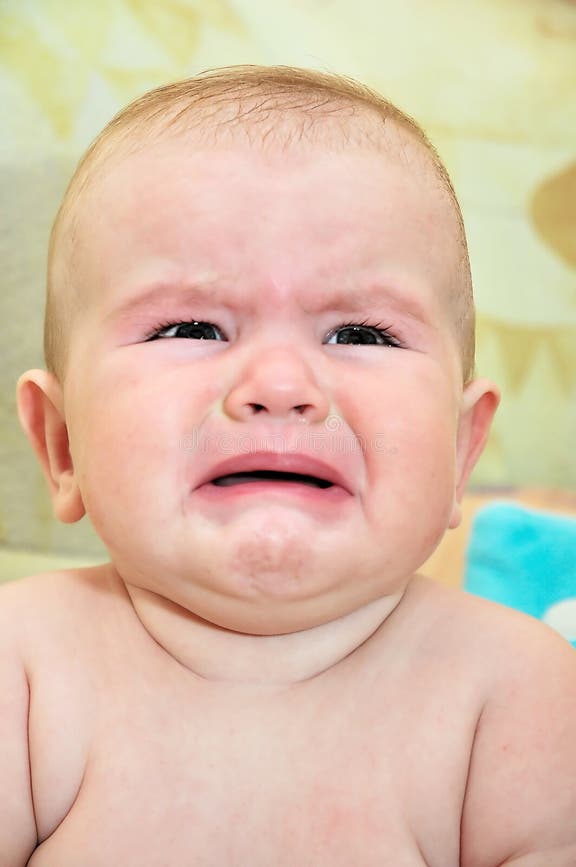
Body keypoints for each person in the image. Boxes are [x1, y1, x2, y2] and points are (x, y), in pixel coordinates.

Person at [3, 65, 575, 866]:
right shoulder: (23, 668)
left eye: (361, 334)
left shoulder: (513, 690)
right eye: (191, 326)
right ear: (62, 444)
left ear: (458, 452)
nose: (278, 388)